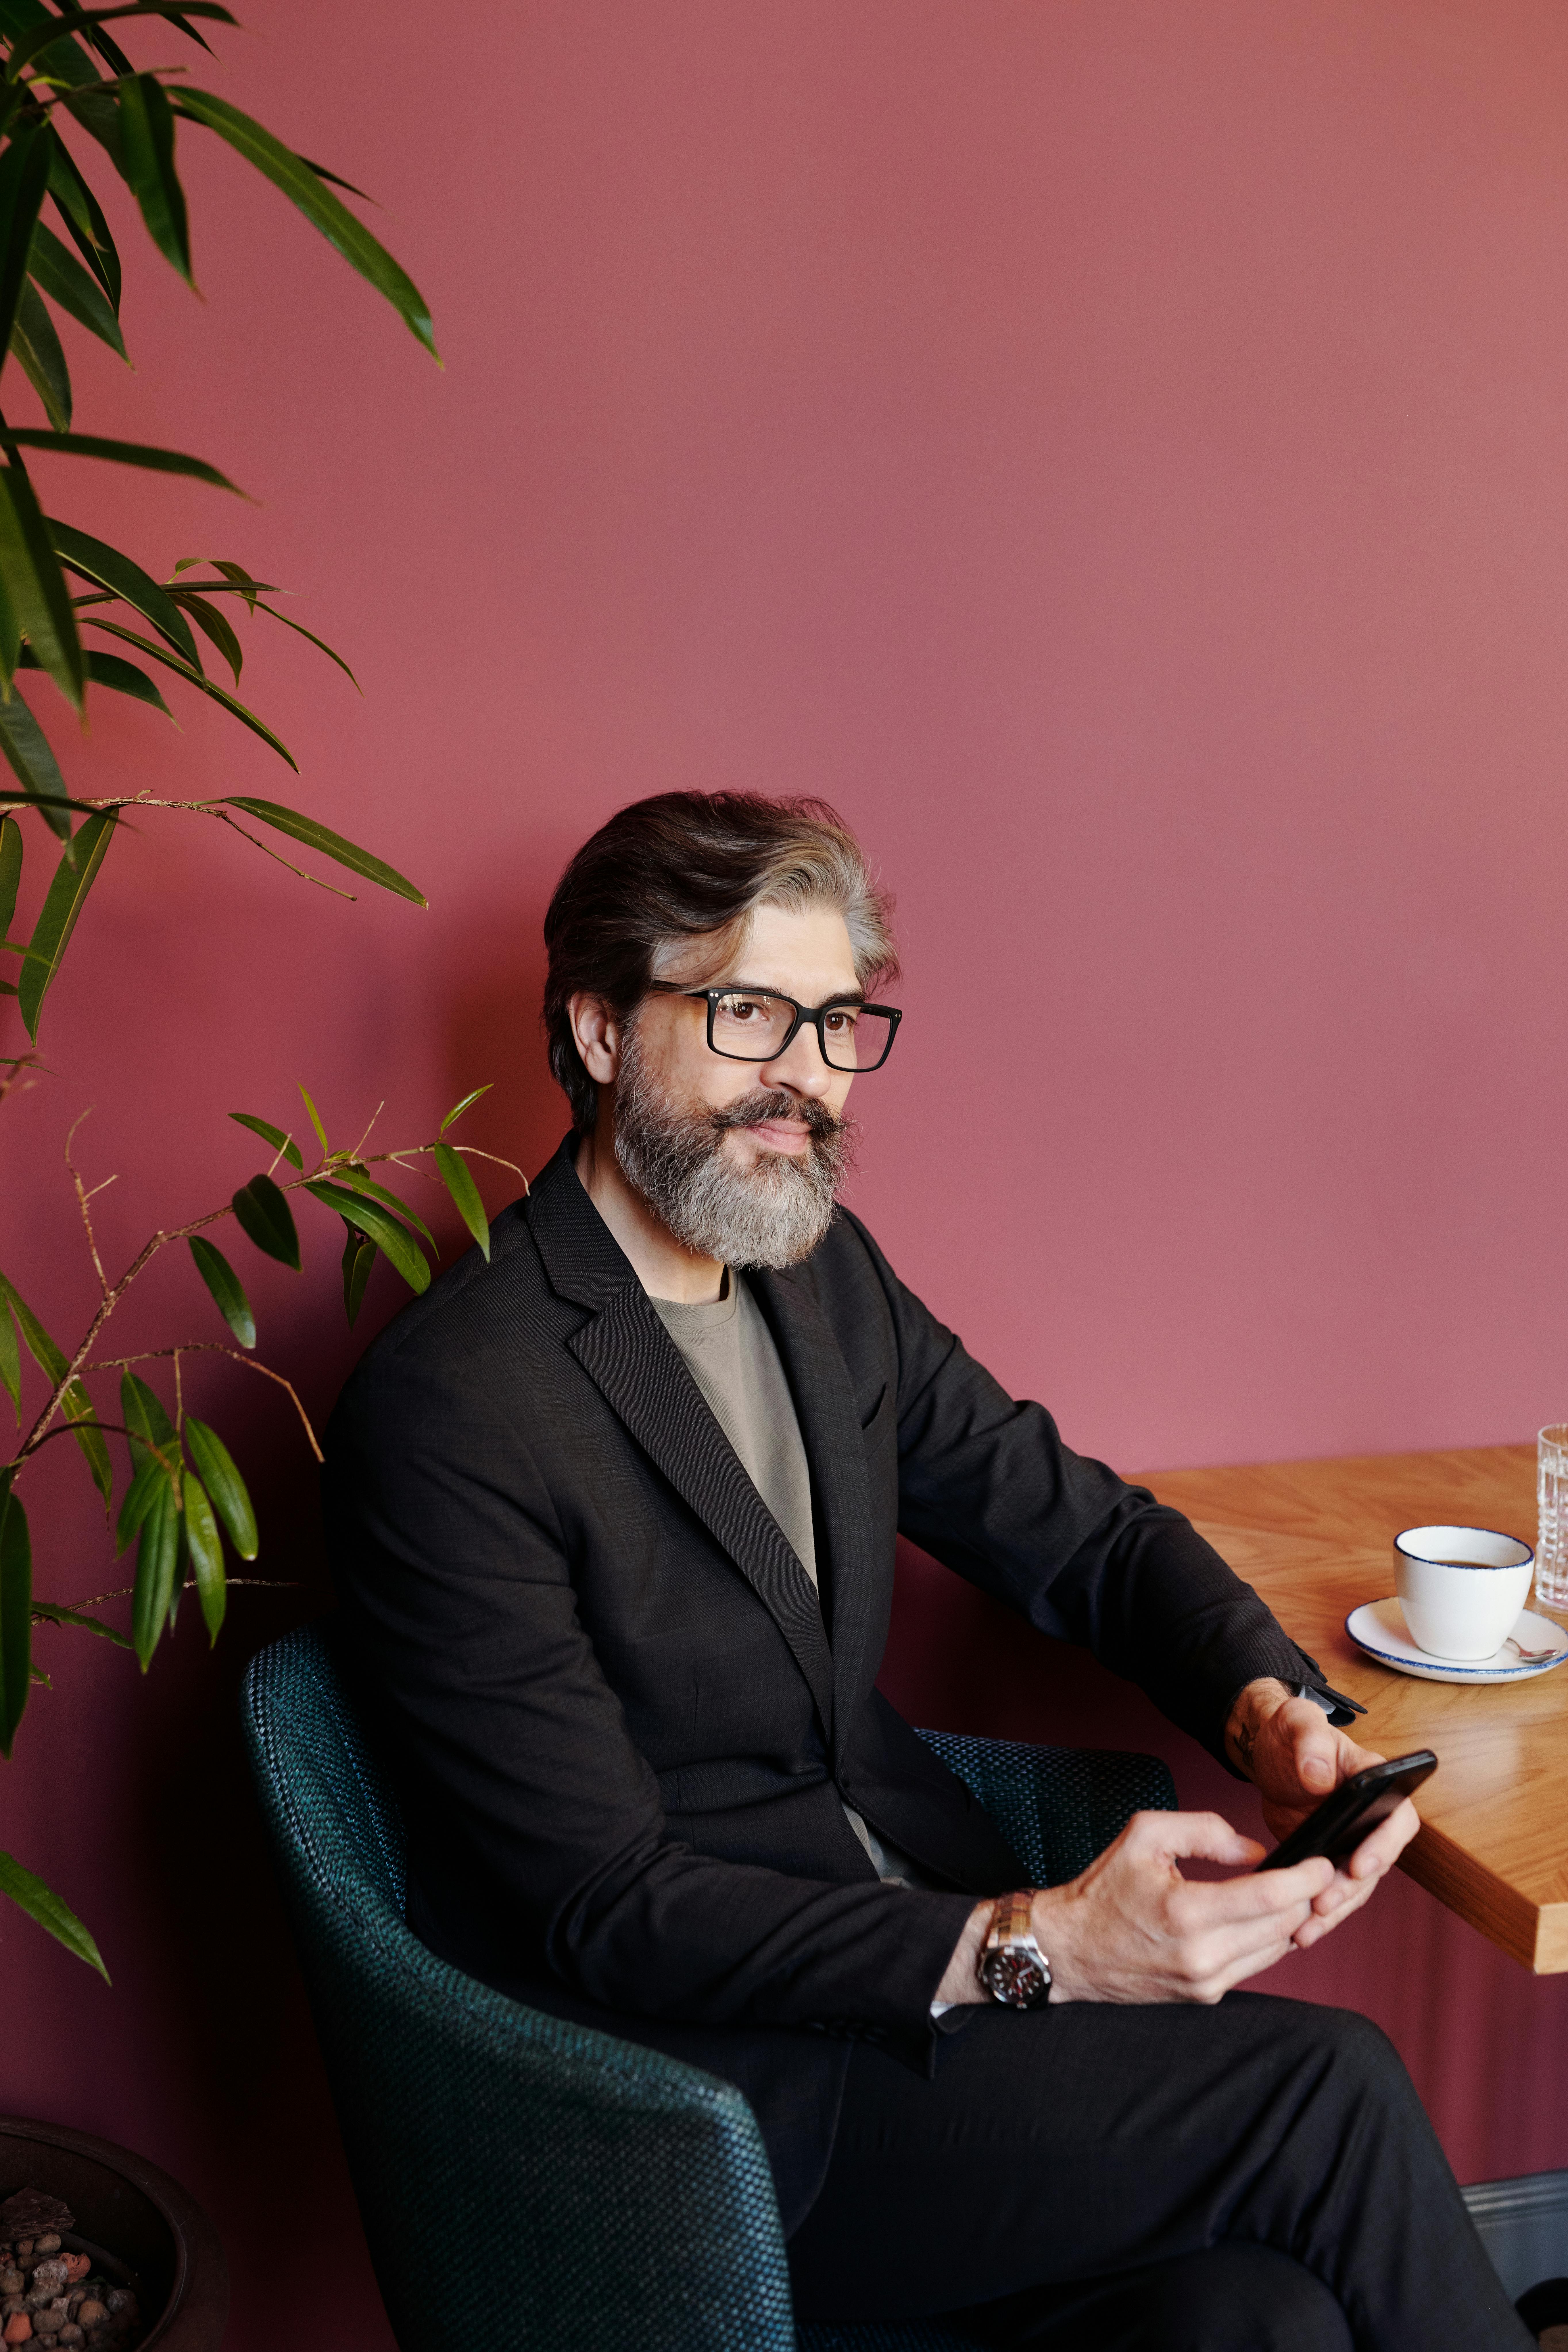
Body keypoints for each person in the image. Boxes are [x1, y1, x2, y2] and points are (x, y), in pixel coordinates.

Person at [324, 791, 1527, 2349]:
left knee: (1261, 2316)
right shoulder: (459, 1404)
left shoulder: (823, 1279)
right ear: (603, 1030)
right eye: (749, 1011)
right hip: (713, 2106)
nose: (805, 1079)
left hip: (932, 2001)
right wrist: (1034, 1944)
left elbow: (1085, 1530)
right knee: (1330, 2086)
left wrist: (1271, 1719)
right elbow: (607, 1904)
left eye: (835, 1022)